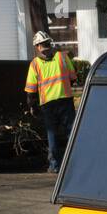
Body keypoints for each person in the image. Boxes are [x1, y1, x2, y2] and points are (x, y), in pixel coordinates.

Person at [24, 30, 77, 173]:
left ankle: (55, 165)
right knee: (71, 132)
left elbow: (30, 89)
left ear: (38, 46)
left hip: (47, 104)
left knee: (52, 133)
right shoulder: (62, 57)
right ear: (49, 42)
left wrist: (31, 106)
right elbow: (73, 77)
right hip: (65, 100)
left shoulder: (35, 64)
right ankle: (76, 161)